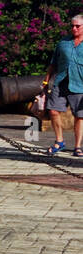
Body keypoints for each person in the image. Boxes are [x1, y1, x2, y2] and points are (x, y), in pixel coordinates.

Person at [43, 13, 83, 157]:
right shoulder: (63, 43)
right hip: (60, 82)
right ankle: (59, 141)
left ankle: (77, 147)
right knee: (53, 110)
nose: (74, 28)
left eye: (77, 26)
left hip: (80, 84)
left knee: (80, 116)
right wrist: (46, 82)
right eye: (72, 26)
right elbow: (52, 64)